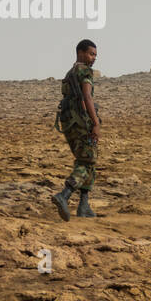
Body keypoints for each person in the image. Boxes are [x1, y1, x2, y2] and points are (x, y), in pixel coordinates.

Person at [51, 39, 101, 221]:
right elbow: (87, 97)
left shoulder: (70, 72)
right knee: (87, 160)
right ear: (80, 52)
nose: (93, 58)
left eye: (95, 55)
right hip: (82, 122)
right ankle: (64, 195)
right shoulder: (85, 71)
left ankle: (84, 205)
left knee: (89, 160)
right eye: (91, 53)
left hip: (69, 123)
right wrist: (95, 123)